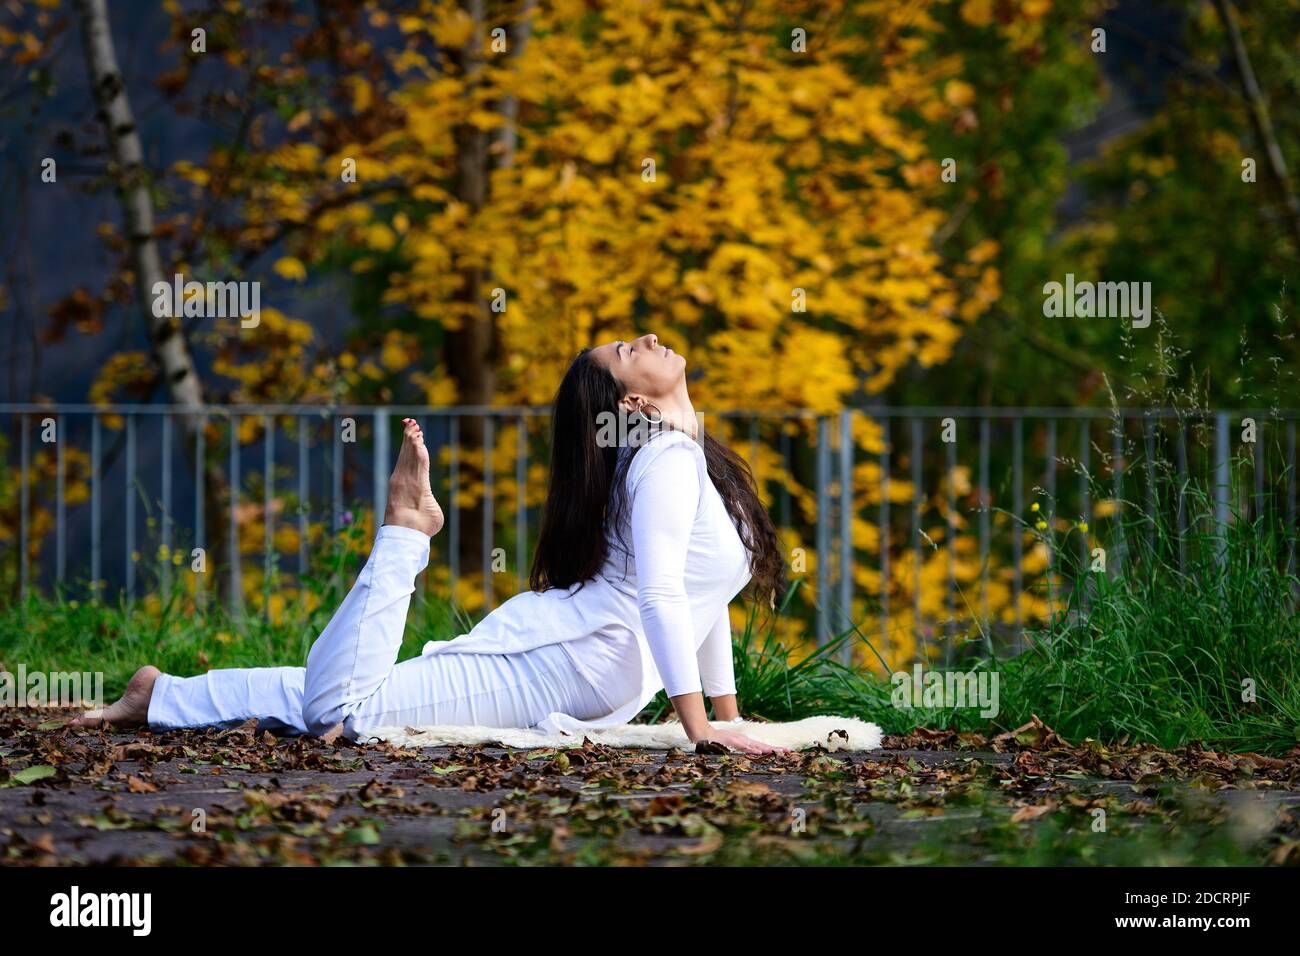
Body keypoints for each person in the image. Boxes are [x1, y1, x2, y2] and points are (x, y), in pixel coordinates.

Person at [73, 333, 789, 755]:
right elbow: (662, 596)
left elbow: (699, 598)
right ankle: (404, 532)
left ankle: (165, 695)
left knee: (364, 698)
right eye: (632, 349)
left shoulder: (686, 455)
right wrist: (701, 733)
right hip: (564, 663)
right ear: (633, 403)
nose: (651, 338)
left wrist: (728, 719)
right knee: (346, 712)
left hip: (586, 664)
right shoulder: (665, 460)